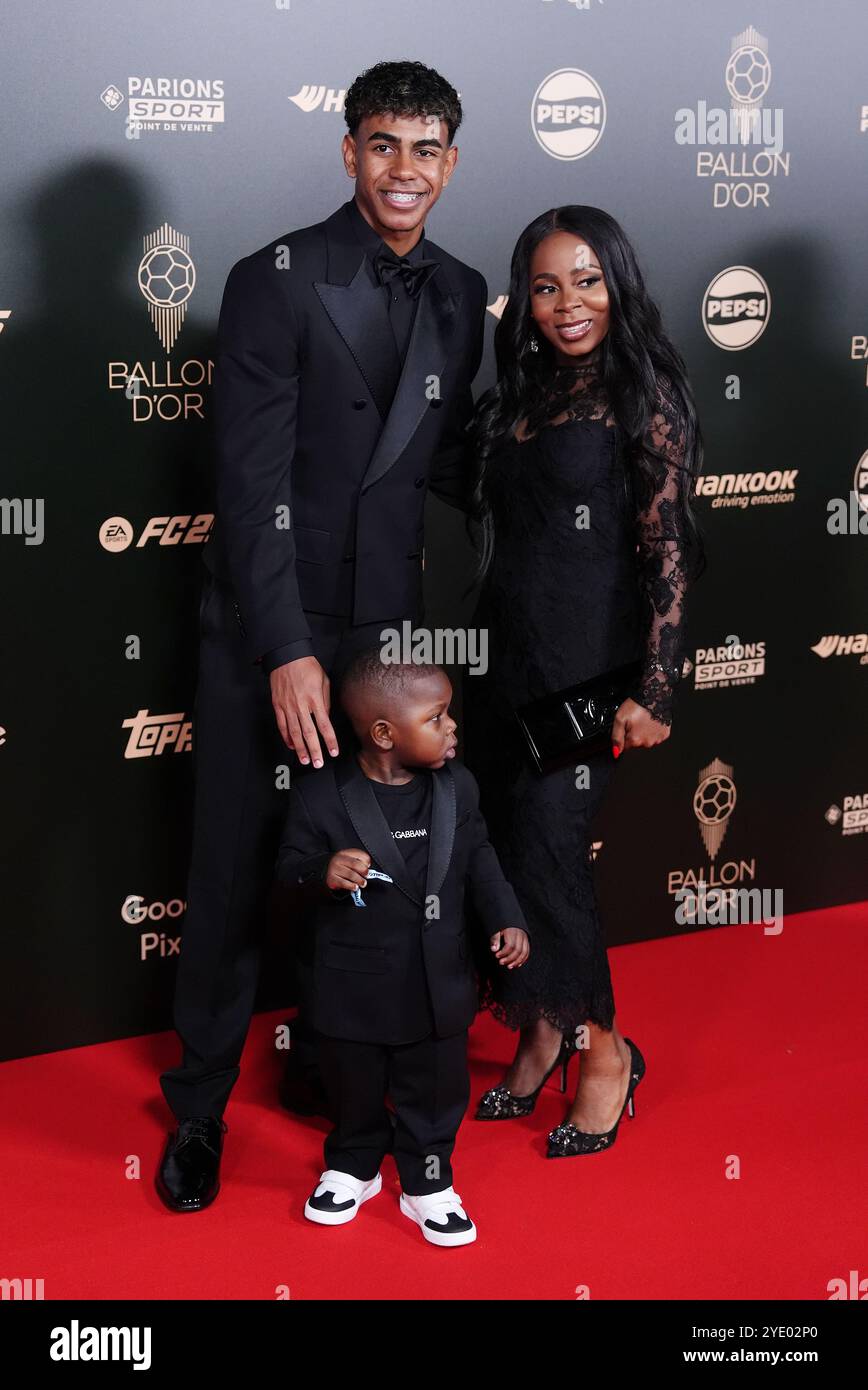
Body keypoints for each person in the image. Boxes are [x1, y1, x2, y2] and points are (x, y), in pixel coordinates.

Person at [156, 60, 489, 1213]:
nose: (406, 169)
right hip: (275, 626)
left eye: (428, 147)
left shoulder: (460, 291)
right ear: (348, 151)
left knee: (367, 871)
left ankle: (338, 1077)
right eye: (385, 144)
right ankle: (197, 1105)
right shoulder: (271, 280)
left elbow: (444, 457)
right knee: (239, 861)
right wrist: (285, 650)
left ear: (452, 161)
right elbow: (249, 490)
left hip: (384, 647)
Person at [462, 205, 706, 1157]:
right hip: (504, 659)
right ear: (524, 297)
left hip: (591, 671)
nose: (569, 305)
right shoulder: (517, 394)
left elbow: (668, 546)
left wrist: (659, 686)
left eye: (588, 280)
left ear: (620, 283)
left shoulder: (644, 392)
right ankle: (540, 1029)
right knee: (510, 850)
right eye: (547, 285)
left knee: (552, 850)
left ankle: (606, 1051)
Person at [277, 649, 529, 1245]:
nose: (451, 728)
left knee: (436, 1089)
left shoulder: (458, 787)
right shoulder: (320, 796)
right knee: (354, 1084)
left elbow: (482, 860)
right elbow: (286, 872)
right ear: (384, 733)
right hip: (352, 987)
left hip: (439, 980)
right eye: (436, 718)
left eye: (449, 715)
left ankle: (428, 1182)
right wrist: (324, 871)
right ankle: (353, 1164)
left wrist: (507, 917)